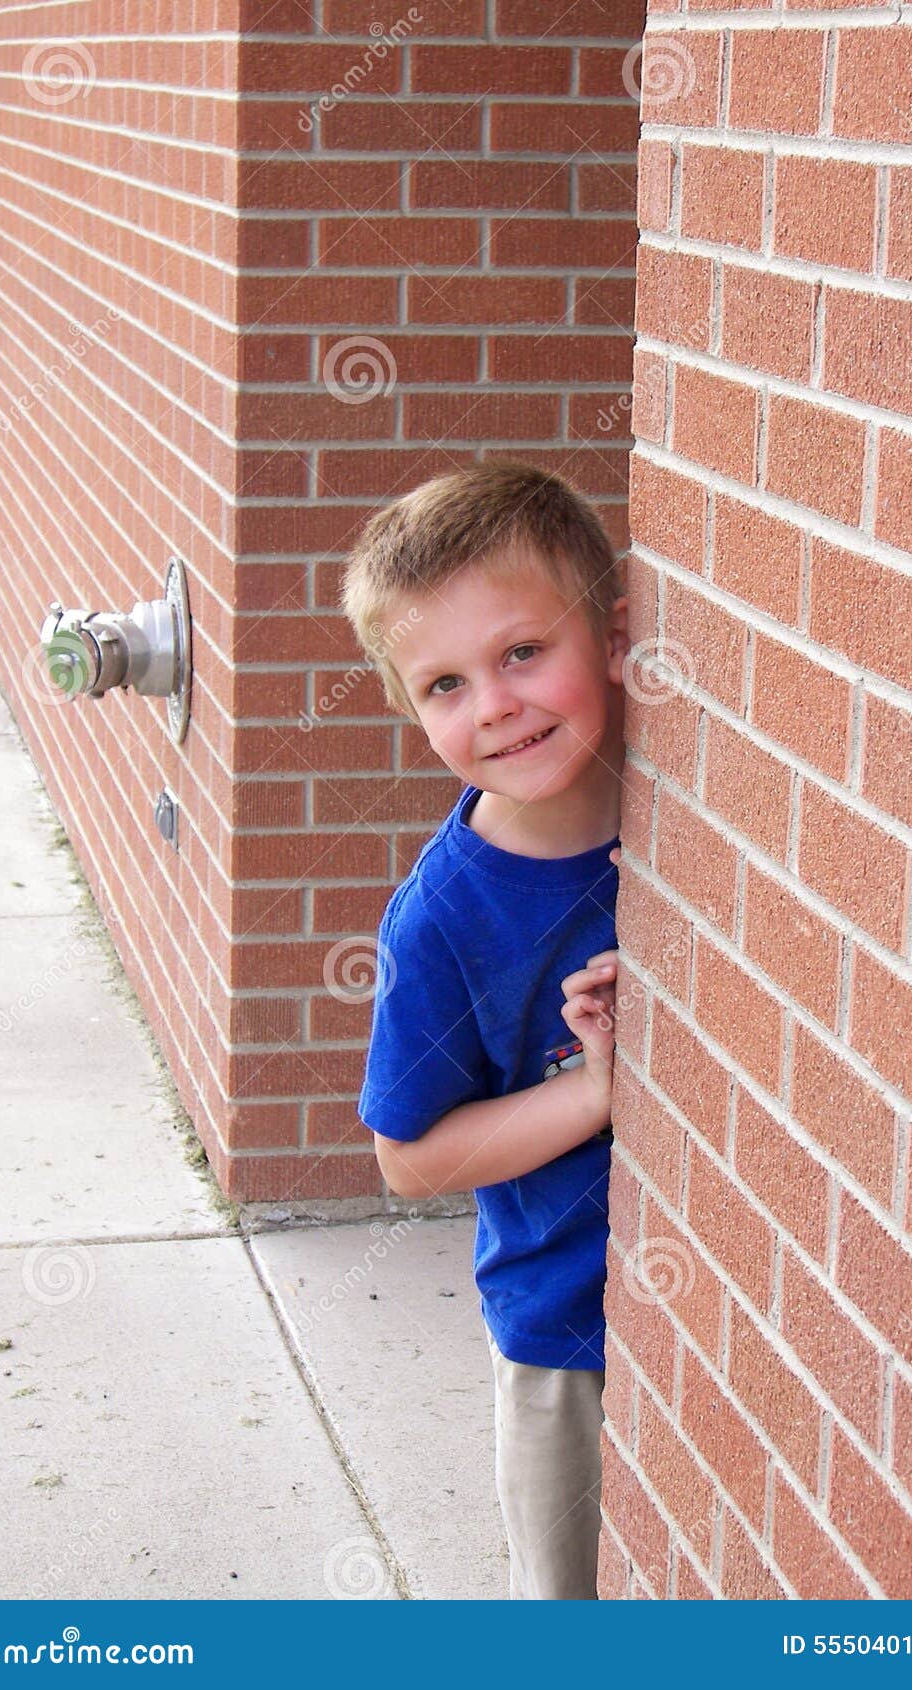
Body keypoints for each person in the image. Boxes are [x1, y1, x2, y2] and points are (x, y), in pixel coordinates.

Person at [339, 459, 630, 1600]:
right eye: (445, 684)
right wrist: (596, 1094)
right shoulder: (446, 917)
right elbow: (407, 1156)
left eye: (522, 652)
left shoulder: (686, 791)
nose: (496, 704)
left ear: (613, 632)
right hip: (566, 1331)